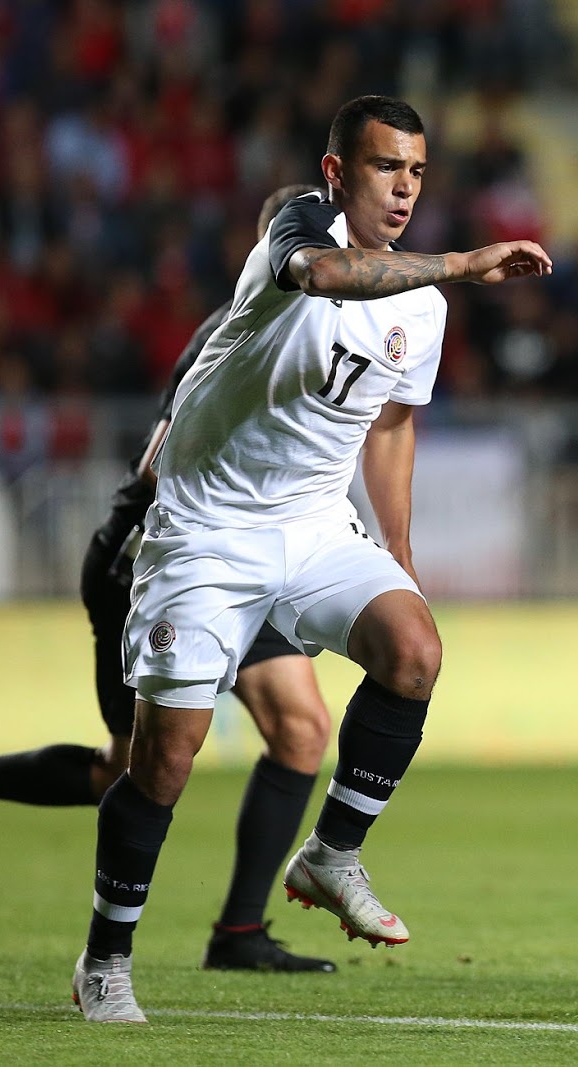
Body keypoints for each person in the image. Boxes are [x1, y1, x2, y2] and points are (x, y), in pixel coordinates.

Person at [70, 95, 551, 1023]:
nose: (404, 187)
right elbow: (327, 274)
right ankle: (105, 958)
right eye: (384, 168)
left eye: (416, 170)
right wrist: (461, 260)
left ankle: (330, 854)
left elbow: (394, 425)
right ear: (338, 173)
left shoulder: (424, 305)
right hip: (207, 530)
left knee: (414, 650)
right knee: (164, 759)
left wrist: (398, 558)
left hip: (314, 525)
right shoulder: (294, 235)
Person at [0, 184, 342, 974]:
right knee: (129, 771)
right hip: (156, 555)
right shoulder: (237, 331)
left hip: (231, 556)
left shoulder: (327, 331)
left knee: (299, 730)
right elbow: (158, 461)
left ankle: (237, 933)